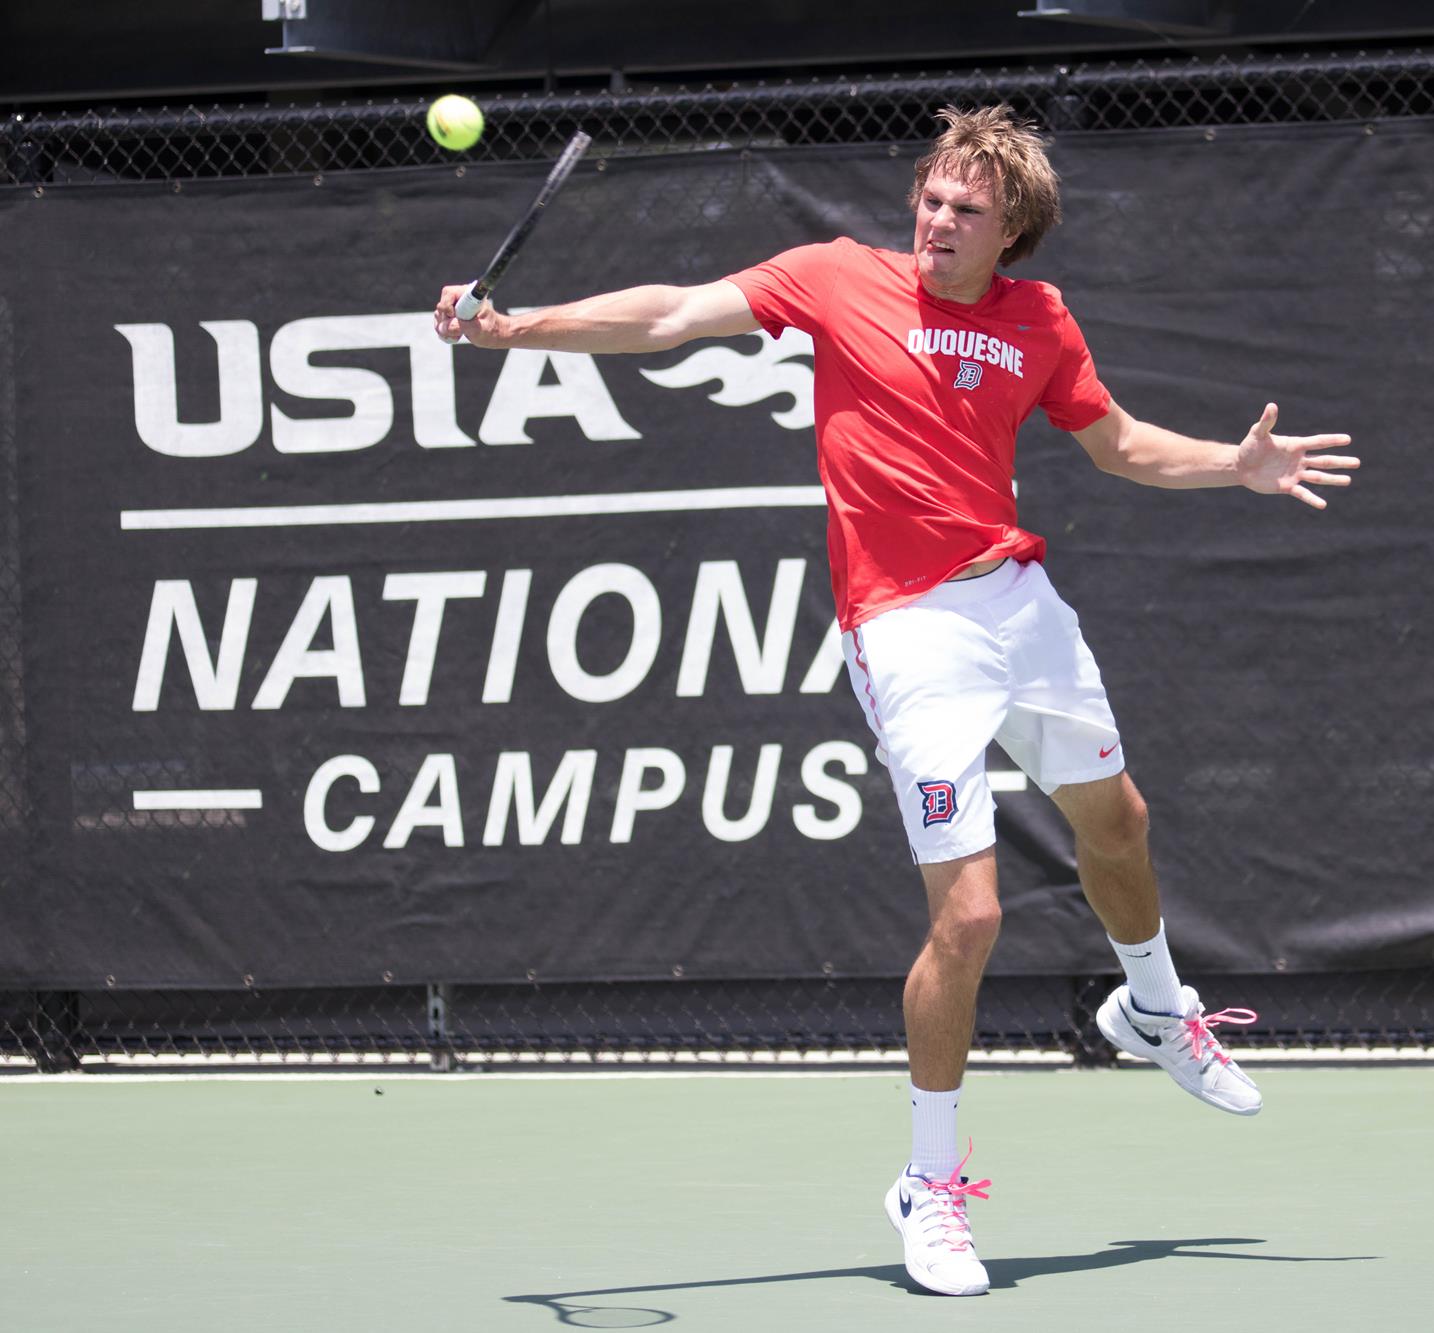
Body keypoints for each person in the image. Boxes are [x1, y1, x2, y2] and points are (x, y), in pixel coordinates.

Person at [435, 104, 1357, 1298]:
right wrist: (512, 329)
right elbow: (669, 312)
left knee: (1117, 819)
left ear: (1009, 226)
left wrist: (1232, 467)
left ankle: (1151, 1007)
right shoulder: (834, 279)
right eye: (929, 198)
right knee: (968, 917)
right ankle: (930, 1187)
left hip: (1018, 604)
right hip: (907, 627)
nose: (936, 219)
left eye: (965, 209)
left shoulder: (1038, 319)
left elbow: (1117, 444)